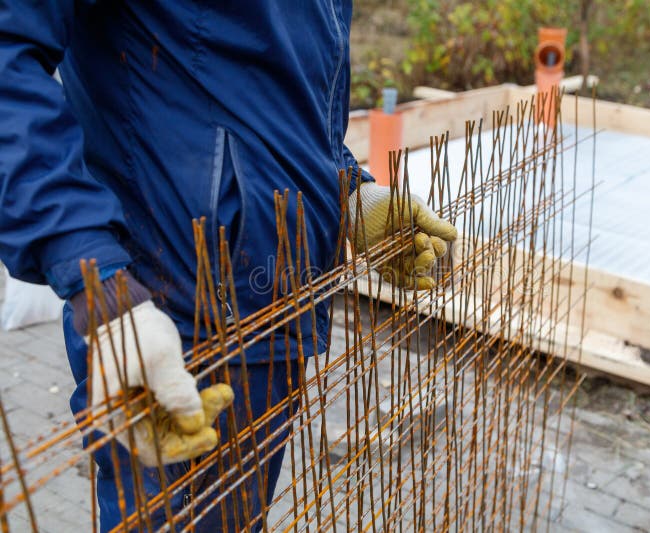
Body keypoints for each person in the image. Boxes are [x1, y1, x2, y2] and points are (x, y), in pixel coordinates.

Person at [0, 2, 457, 531]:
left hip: (272, 299)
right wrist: (97, 283)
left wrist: (346, 191)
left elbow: (273, 86)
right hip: (169, 315)